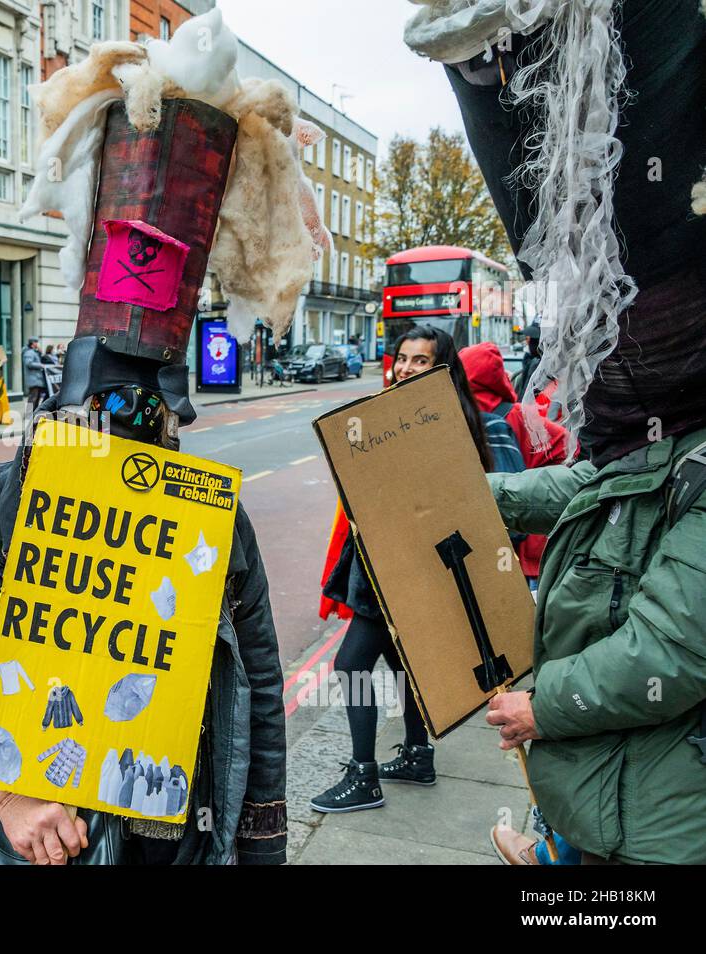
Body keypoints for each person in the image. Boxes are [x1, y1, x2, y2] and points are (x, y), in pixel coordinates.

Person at [0, 81, 289, 865]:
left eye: (143, 414)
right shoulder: (13, 494)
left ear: (171, 418)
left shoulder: (216, 521)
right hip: (35, 837)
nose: (122, 431)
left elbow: (257, 692)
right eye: (103, 410)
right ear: (68, 405)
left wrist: (261, 850)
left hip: (173, 840)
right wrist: (9, 790)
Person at [401, 0, 706, 865]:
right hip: (605, 803)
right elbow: (593, 487)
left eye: (616, 325)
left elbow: (674, 649)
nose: (599, 351)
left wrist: (540, 704)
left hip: (658, 829)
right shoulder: (663, 447)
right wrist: (454, 499)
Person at [310, 325, 524, 815]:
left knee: (351, 666)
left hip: (420, 576)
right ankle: (417, 753)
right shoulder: (384, 422)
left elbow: (508, 514)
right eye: (402, 358)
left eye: (420, 361)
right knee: (402, 664)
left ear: (442, 368)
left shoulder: (480, 426)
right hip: (378, 575)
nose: (405, 368)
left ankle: (363, 775)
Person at [461, 342, 570, 590]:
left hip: (502, 535)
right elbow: (566, 444)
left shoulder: (465, 416)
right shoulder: (521, 414)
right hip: (530, 526)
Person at [22, 337, 44, 415]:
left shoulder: (34, 352)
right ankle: (28, 414)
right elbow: (28, 363)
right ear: (32, 343)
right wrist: (40, 365)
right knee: (33, 398)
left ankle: (33, 413)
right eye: (36, 342)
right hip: (33, 379)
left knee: (36, 398)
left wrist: (40, 352)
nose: (37, 344)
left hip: (37, 379)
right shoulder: (29, 352)